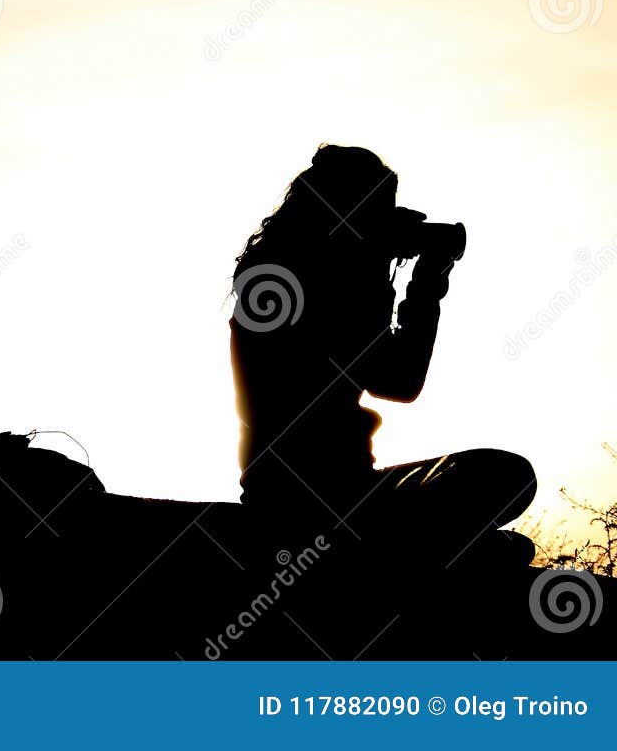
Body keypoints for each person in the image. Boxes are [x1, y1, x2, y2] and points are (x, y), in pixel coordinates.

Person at [229, 144, 535, 562]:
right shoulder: (277, 284)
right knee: (501, 486)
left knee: (510, 477)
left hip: (352, 486)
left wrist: (422, 285)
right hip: (294, 493)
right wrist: (378, 274)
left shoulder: (336, 277)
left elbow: (399, 381)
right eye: (376, 210)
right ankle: (411, 549)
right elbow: (386, 378)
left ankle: (419, 545)